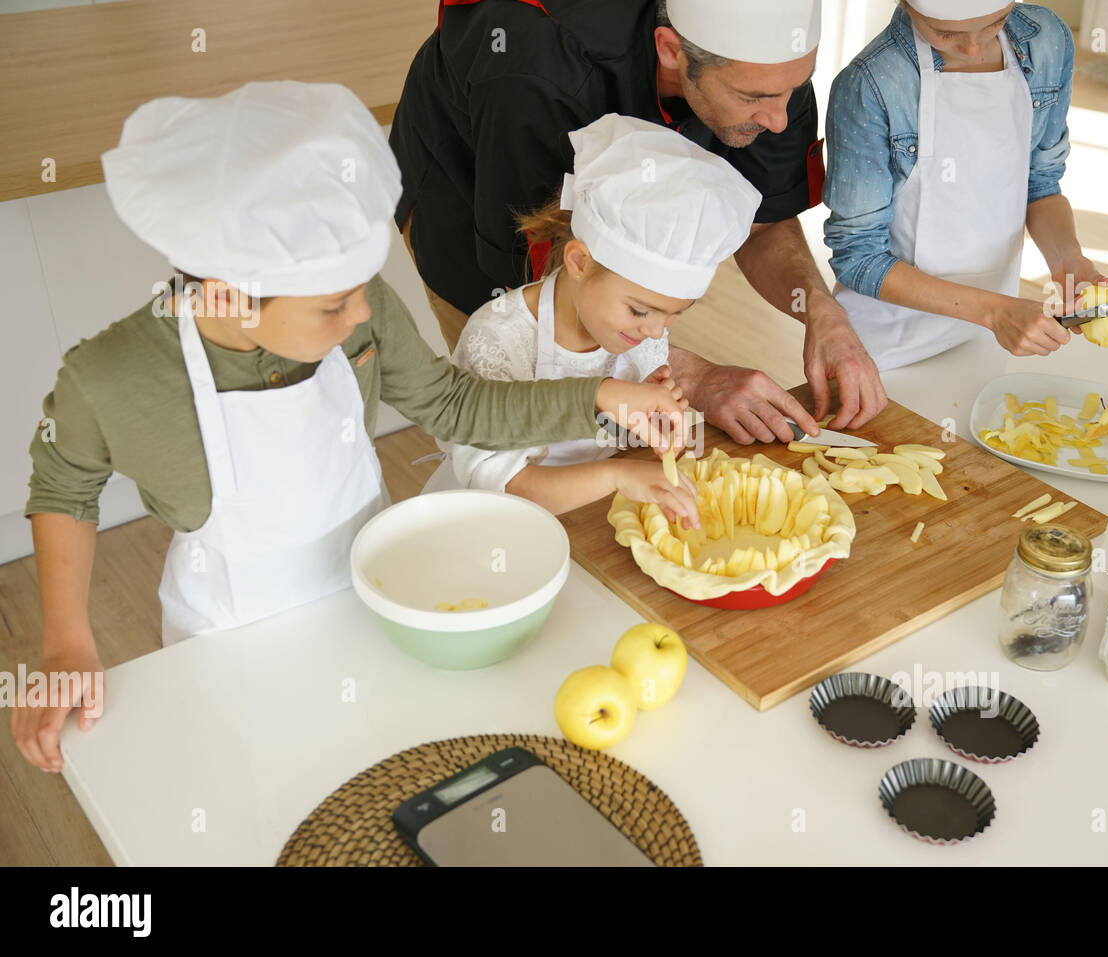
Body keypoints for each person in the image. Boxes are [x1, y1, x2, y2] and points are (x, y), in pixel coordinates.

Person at [12, 82, 688, 774]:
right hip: (229, 644)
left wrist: (604, 394)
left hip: (379, 597)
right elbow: (65, 483)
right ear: (232, 295)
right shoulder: (114, 377)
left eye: (363, 287)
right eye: (334, 305)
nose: (363, 316)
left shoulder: (357, 308)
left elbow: (455, 406)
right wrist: (66, 641)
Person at [390, 0, 889, 444]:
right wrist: (691, 377)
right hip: (473, 195)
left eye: (795, 89)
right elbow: (545, 284)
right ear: (671, 49)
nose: (779, 120)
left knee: (618, 440)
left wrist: (823, 314)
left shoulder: (771, 68)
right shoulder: (537, 62)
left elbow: (763, 221)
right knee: (520, 416)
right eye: (752, 98)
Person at [427, 114, 762, 519]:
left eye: (674, 316)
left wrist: (651, 421)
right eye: (640, 310)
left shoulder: (641, 332)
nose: (656, 331)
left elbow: (607, 433)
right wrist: (618, 475)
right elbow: (507, 488)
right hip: (489, 525)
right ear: (580, 262)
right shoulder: (498, 339)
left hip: (585, 519)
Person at [824, 1, 1108, 371]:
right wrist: (994, 312)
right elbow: (858, 257)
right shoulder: (872, 83)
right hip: (887, 346)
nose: (974, 48)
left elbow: (1040, 184)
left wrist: (1068, 262)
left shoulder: (1046, 42)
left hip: (991, 335)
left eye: (995, 23)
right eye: (947, 33)